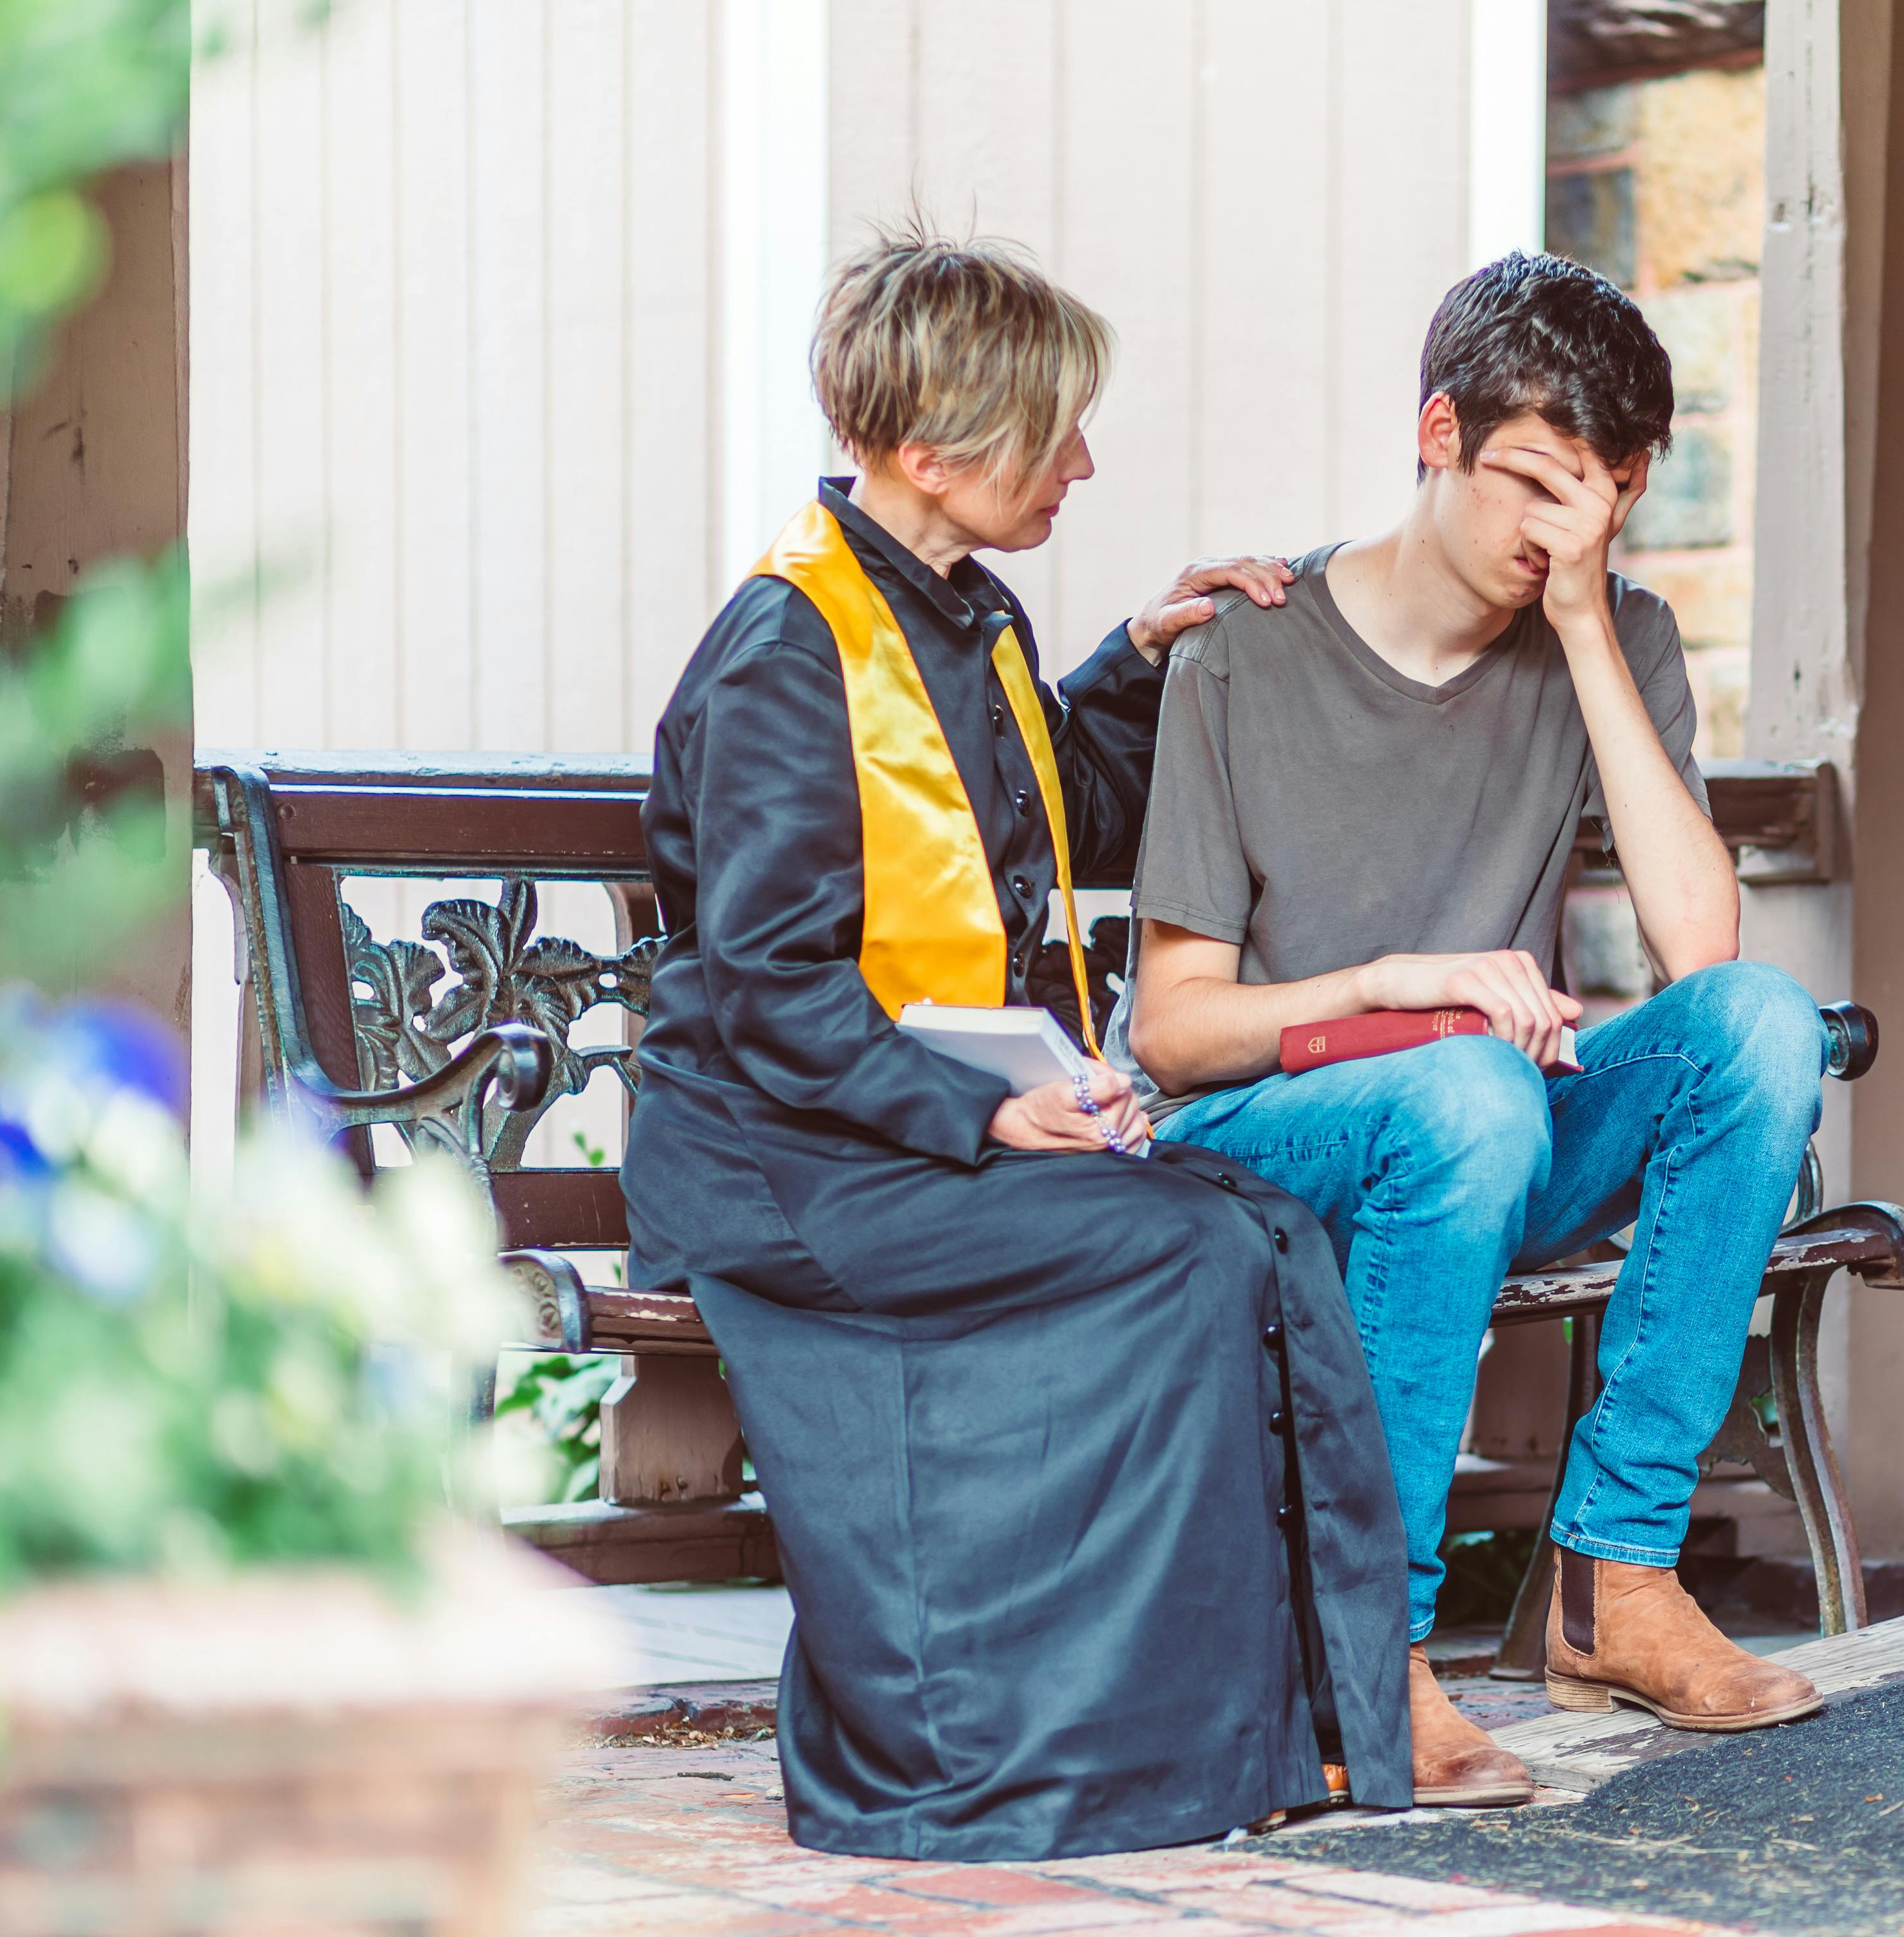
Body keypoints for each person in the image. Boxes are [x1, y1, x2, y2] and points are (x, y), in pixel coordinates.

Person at [621, 229, 1413, 1860]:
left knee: (1247, 1231)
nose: (1084, 462)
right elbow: (773, 990)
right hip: (787, 1161)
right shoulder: (788, 656)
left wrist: (1139, 661)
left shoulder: (959, 617)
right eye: (1053, 432)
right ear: (929, 452)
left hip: (871, 1127)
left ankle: (1200, 1747)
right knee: (1191, 1248)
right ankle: (1018, 1750)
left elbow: (1054, 818)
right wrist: (988, 1122)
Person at [1111, 252, 1832, 1809]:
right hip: (1273, 1146)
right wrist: (1396, 989)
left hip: (1488, 1131)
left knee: (1763, 1028)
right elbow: (1174, 1038)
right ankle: (1368, 1647)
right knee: (1468, 1092)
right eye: (1530, 483)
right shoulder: (1250, 646)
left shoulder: (1609, 634)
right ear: (1436, 429)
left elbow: (1699, 948)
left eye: (1605, 499)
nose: (1556, 534)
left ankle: (1611, 1579)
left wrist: (1583, 625)